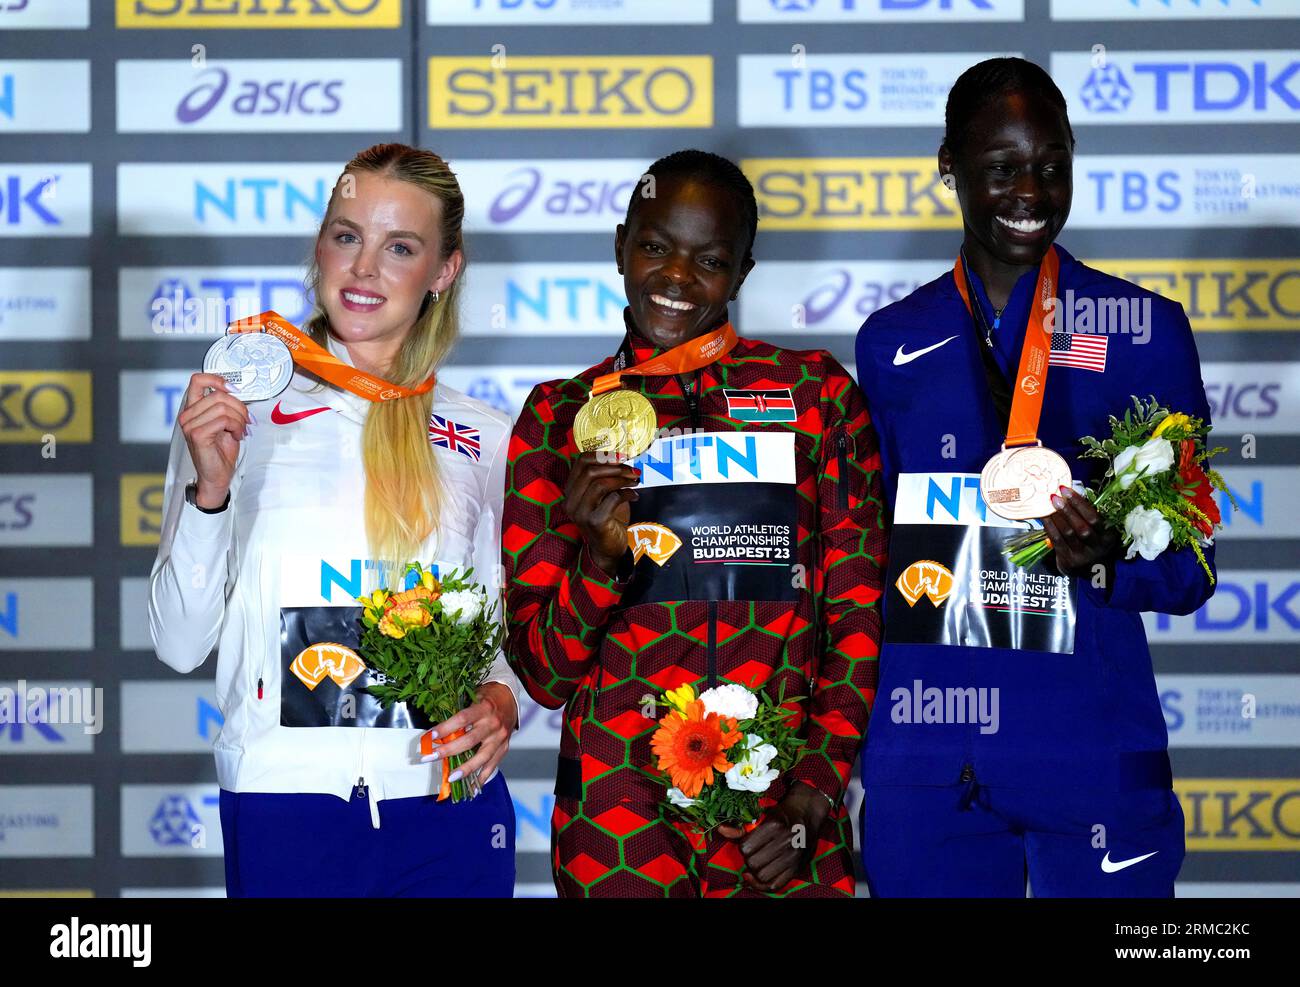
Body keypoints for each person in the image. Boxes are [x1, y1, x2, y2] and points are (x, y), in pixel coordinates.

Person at [854, 58, 1213, 897]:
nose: (1031, 190)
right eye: (1001, 167)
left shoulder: (1146, 330)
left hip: (1085, 740)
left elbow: (1191, 563)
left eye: (1053, 165)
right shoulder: (889, 340)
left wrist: (1103, 558)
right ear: (949, 167)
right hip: (929, 754)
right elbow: (868, 552)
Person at [502, 149, 886, 898]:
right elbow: (544, 674)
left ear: (742, 270)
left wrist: (814, 793)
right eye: (654, 247)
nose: (676, 277)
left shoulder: (817, 396)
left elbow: (857, 622)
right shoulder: (557, 416)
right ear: (620, 246)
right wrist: (598, 560)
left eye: (709, 258)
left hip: (781, 815)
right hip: (618, 819)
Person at [150, 143, 520, 898]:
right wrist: (209, 493)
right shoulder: (236, 408)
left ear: (444, 271)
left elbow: (502, 630)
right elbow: (180, 643)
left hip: (451, 809)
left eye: (401, 247)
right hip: (286, 808)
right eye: (347, 235)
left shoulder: (484, 434)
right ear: (319, 243)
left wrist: (501, 698)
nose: (363, 269)